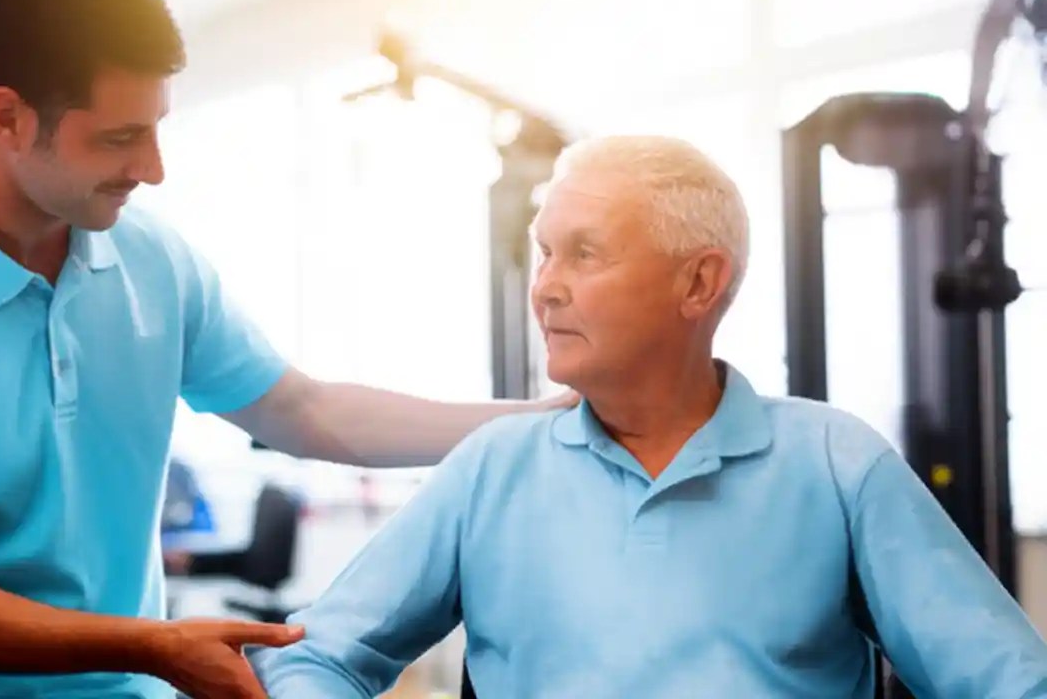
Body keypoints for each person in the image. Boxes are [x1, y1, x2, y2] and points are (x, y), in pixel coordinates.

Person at [0, 0, 572, 698]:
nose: (153, 169)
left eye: (156, 129)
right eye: (119, 139)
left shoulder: (153, 260)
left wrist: (542, 419)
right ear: (7, 119)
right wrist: (156, 646)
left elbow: (307, 410)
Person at [252, 135, 1047, 697]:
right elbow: (310, 658)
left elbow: (1009, 679)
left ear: (699, 284)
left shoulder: (838, 464)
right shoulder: (491, 468)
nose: (547, 287)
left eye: (585, 254)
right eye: (545, 253)